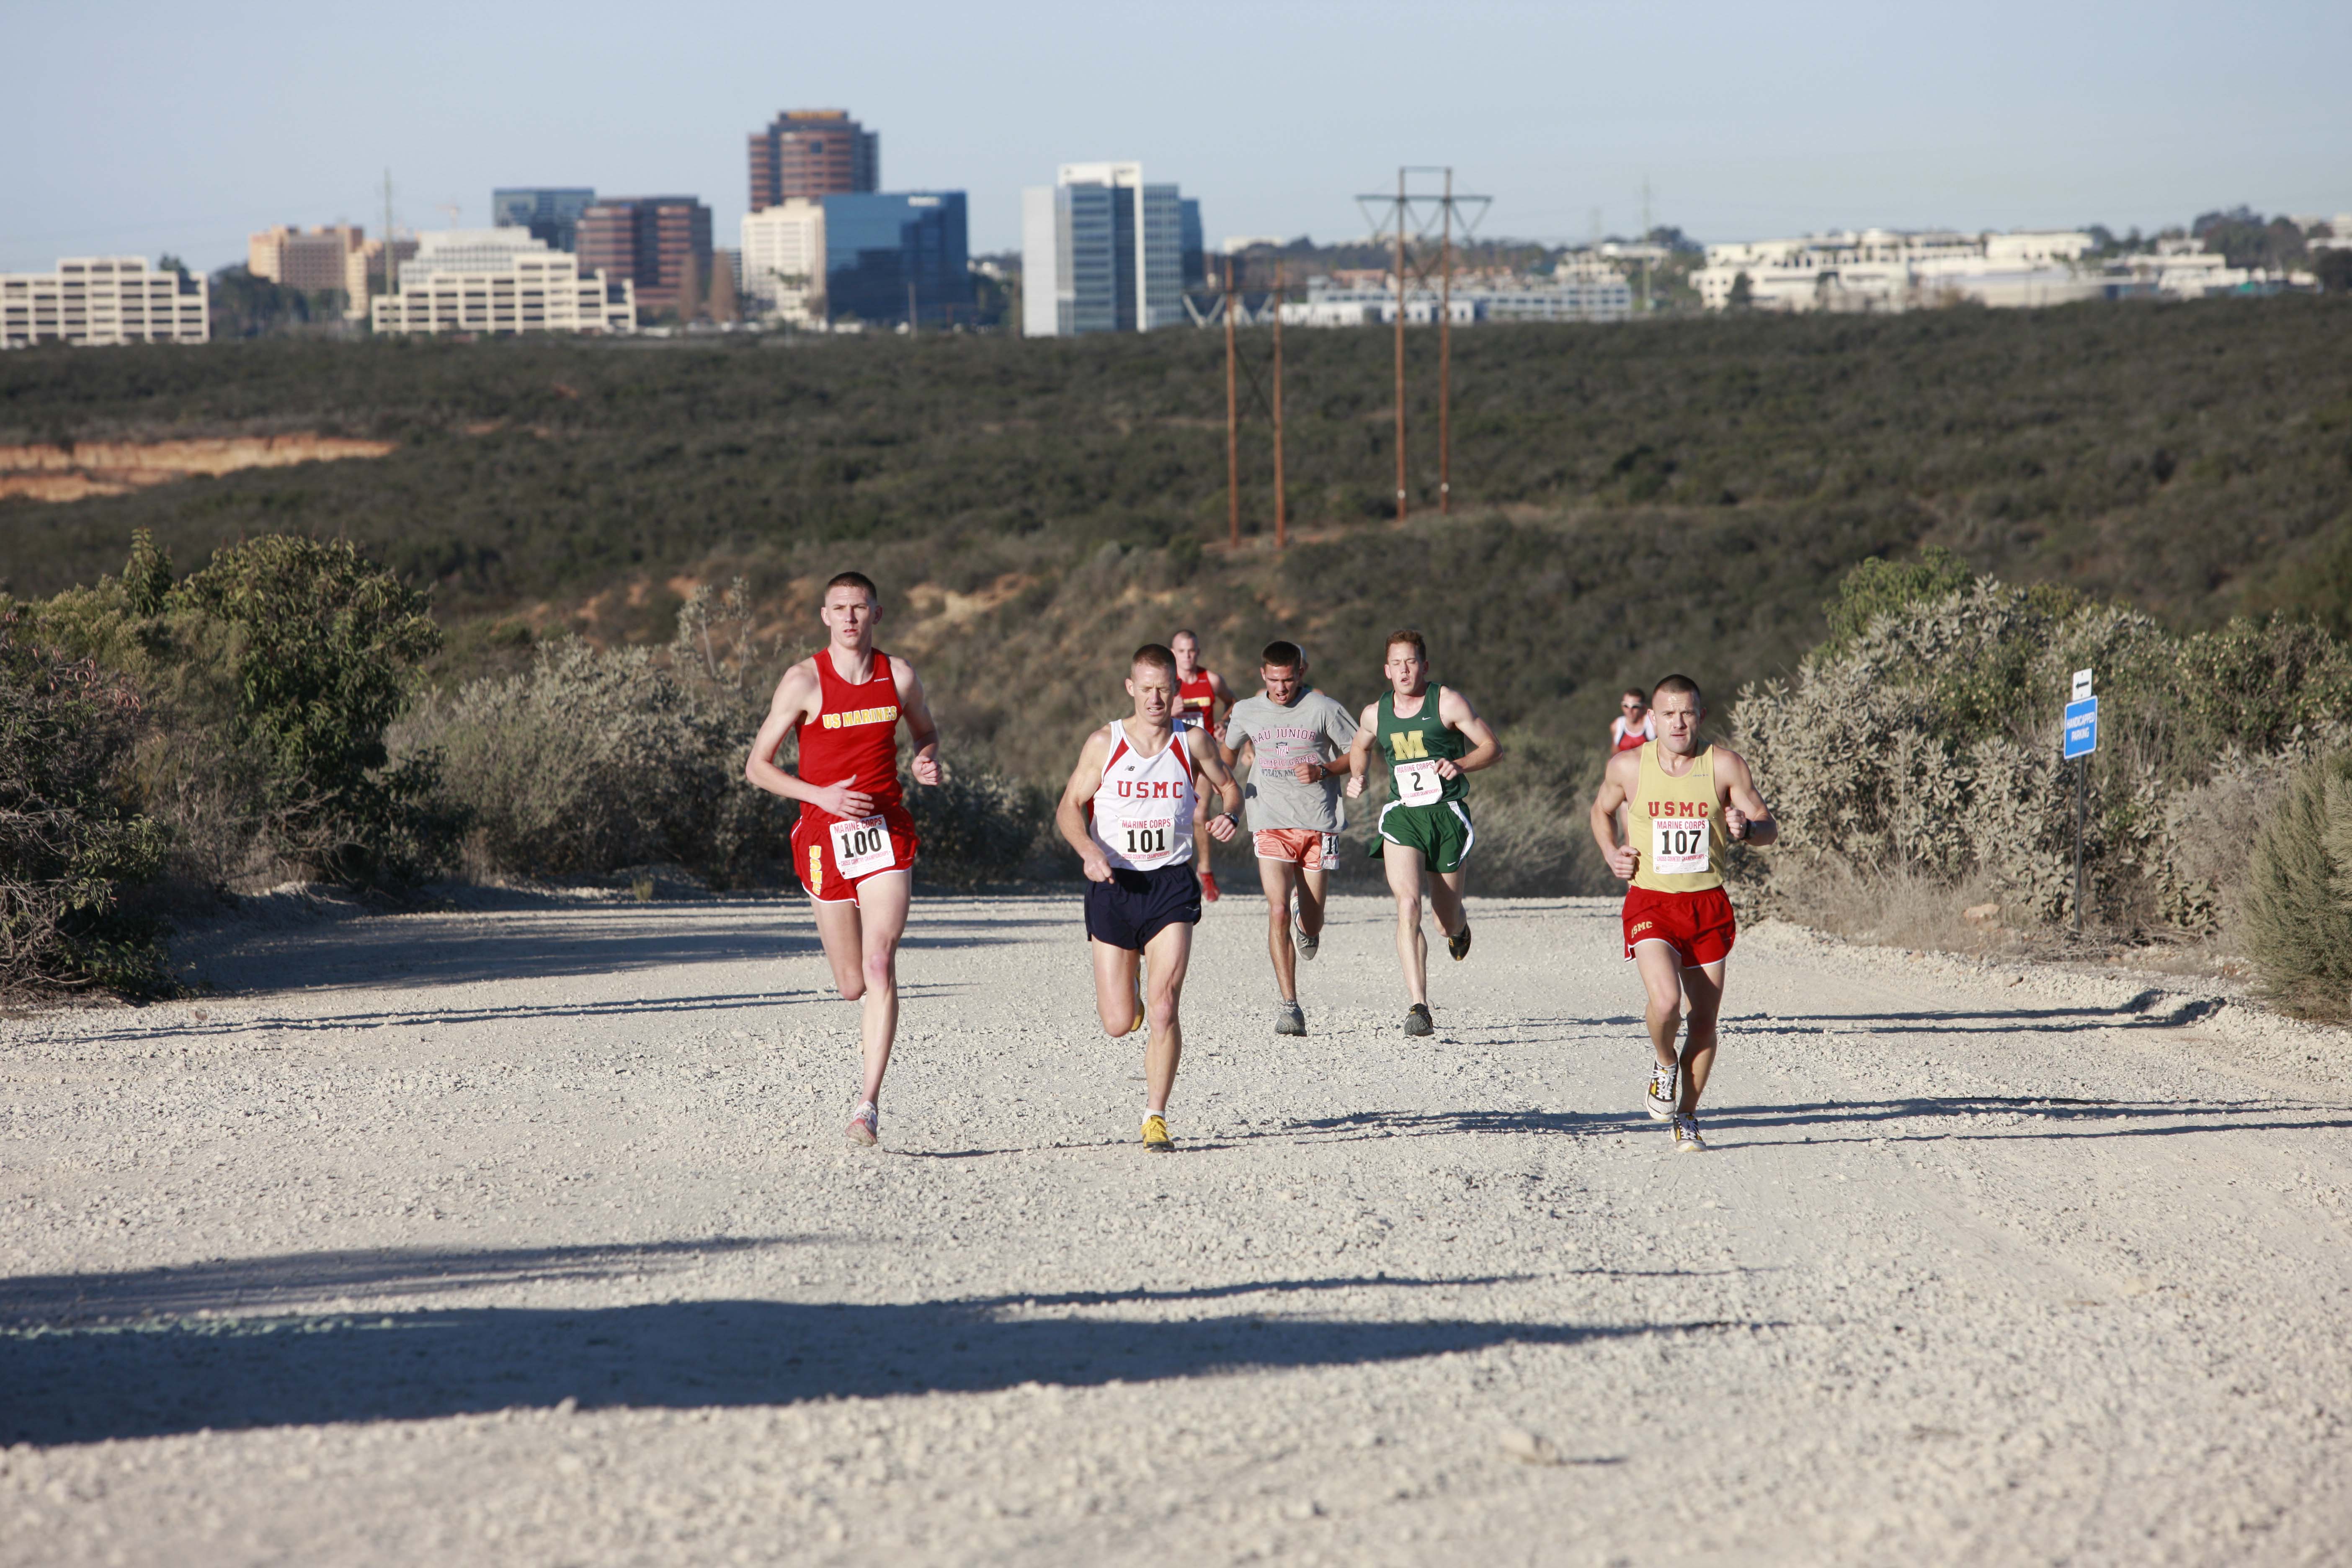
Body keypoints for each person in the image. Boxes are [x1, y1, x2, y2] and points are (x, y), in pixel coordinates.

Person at [745, 571, 942, 1149]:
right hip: (823, 833)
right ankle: (864, 1068)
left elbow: (926, 733)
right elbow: (757, 767)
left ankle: (867, 1107)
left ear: (877, 614)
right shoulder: (804, 681)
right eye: (840, 608)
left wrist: (926, 760)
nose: (851, 618)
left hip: (885, 831)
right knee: (852, 984)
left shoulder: (898, 676)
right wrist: (821, 795)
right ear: (825, 616)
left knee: (881, 963)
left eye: (860, 608)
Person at [1057, 643, 1244, 1152]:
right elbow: (1069, 808)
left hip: (1170, 884)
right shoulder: (1104, 743)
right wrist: (1087, 849)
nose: (1155, 698)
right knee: (1119, 1022)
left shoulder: (1194, 742)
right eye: (1146, 689)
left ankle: (1155, 1116)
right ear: (1130, 689)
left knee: (1165, 1007)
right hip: (1114, 885)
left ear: (1177, 689)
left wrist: (1230, 814)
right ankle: (1131, 988)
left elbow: (1230, 788)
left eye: (1164, 688)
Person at [1586, 674, 1777, 1153]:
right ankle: (1664, 1060)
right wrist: (1612, 852)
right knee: (1667, 1003)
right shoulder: (1628, 766)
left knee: (1706, 1020)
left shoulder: (1725, 766)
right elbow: (1600, 811)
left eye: (1687, 713)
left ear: (1701, 716)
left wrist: (1746, 830)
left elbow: (1767, 825)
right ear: (1652, 719)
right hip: (1651, 901)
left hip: (1706, 903)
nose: (1678, 723)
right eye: (1668, 714)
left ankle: (1688, 1117)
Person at [1342, 629, 1501, 1036]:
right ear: (1387, 670)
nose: (1404, 670)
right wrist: (1358, 777)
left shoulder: (1447, 702)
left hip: (1446, 816)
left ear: (1424, 666)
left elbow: (1491, 747)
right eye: (1397, 663)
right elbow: (1360, 746)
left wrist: (1462, 764)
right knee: (1408, 905)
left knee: (1444, 922)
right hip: (1403, 817)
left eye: (1411, 661)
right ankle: (1419, 1006)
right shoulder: (1376, 713)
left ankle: (1459, 929)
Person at [1222, 640, 1359, 1036]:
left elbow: (1359, 752)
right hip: (1269, 819)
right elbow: (1225, 756)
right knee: (1276, 910)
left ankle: (1307, 920)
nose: (1282, 689)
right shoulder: (1247, 710)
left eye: (1289, 680)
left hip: (1318, 822)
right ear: (1263, 675)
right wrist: (1224, 781)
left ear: (1301, 673)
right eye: (1274, 680)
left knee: (1312, 925)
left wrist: (1325, 771)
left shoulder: (1324, 708)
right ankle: (1291, 1006)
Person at [1170, 629, 1238, 902]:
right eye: (1182, 651)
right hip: (1174, 757)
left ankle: (1206, 872)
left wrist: (1224, 723)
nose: (1188, 656)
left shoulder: (1210, 679)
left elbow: (1233, 702)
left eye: (1193, 650)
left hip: (1204, 758)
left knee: (1200, 816)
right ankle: (1182, 873)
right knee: (1176, 817)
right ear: (1173, 653)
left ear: (1198, 652)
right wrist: (1168, 713)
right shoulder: (1168, 683)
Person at [1610, 689, 1656, 753]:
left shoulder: (1653, 724)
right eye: (1626, 706)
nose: (1630, 711)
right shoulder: (1617, 725)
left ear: (1644, 708)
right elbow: (1614, 756)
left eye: (1635, 707)